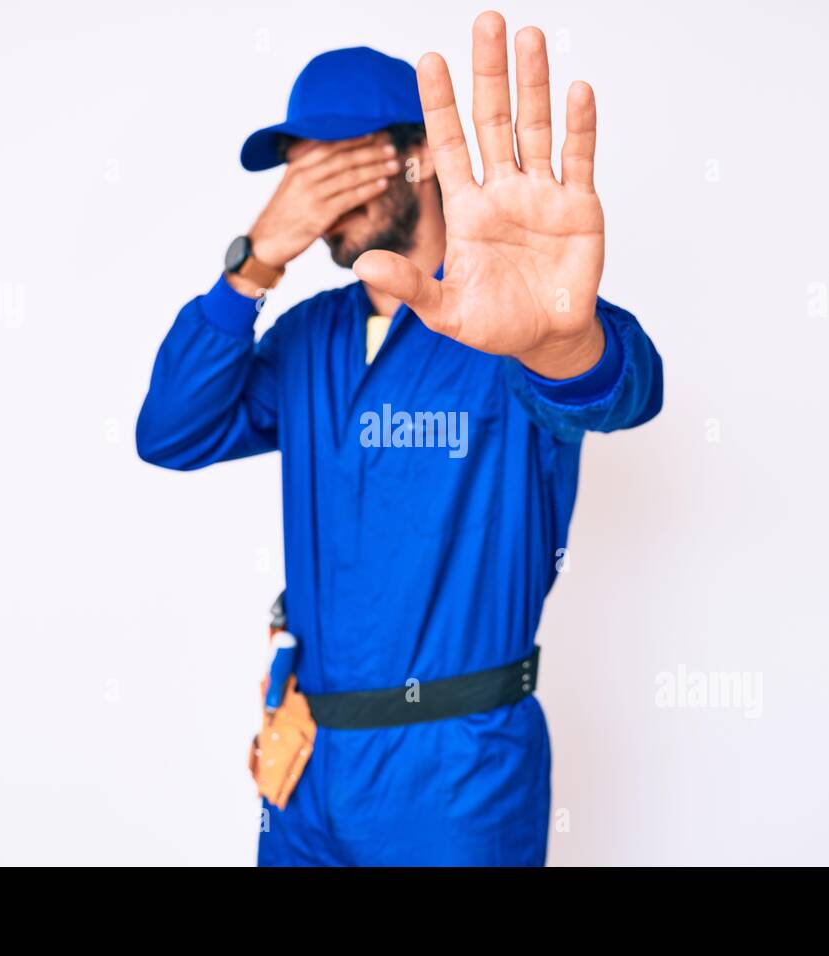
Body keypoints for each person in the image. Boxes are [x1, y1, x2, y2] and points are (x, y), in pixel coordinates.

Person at [136, 11, 663, 866]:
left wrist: (564, 338)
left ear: (413, 156)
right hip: (307, 773)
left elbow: (626, 389)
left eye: (332, 167)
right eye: (294, 178)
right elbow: (170, 431)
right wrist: (253, 264)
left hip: (456, 781)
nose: (307, 201)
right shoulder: (309, 337)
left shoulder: (509, 321)